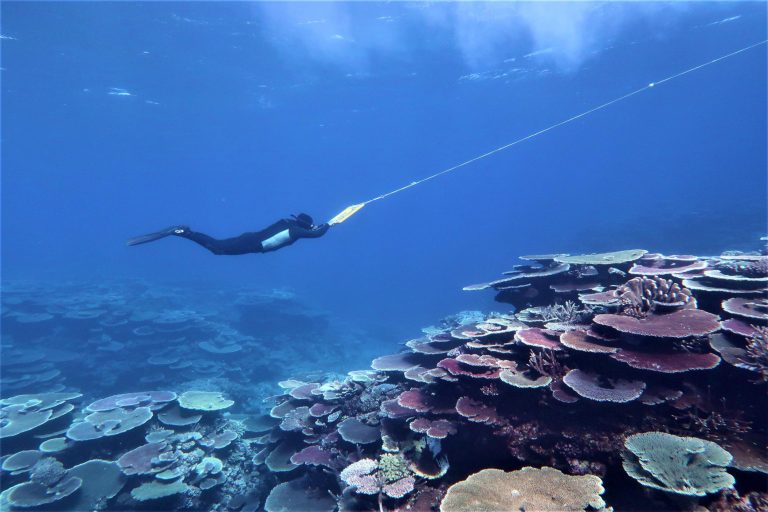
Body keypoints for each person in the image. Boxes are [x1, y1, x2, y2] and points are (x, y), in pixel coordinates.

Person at [127, 213, 331, 255]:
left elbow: (313, 232)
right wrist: (329, 224)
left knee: (218, 247)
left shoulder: (291, 225)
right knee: (217, 249)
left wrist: (318, 227)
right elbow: (317, 235)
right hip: (253, 243)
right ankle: (181, 232)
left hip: (251, 239)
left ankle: (184, 231)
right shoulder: (296, 230)